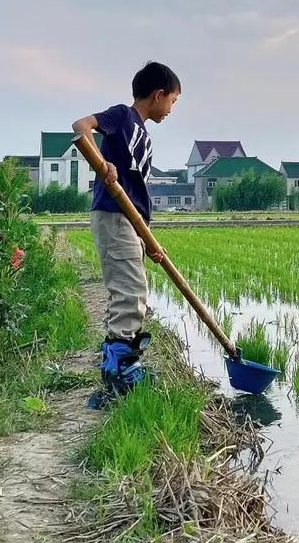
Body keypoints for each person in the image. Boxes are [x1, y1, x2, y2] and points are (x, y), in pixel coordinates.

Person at [72, 61, 181, 398]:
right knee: (132, 292)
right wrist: (101, 162)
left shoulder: (142, 133)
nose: (171, 109)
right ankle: (119, 373)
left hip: (130, 222)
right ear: (158, 94)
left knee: (131, 290)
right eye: (173, 102)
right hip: (112, 213)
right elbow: (81, 125)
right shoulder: (123, 116)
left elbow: (137, 193)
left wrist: (148, 241)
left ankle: (122, 364)